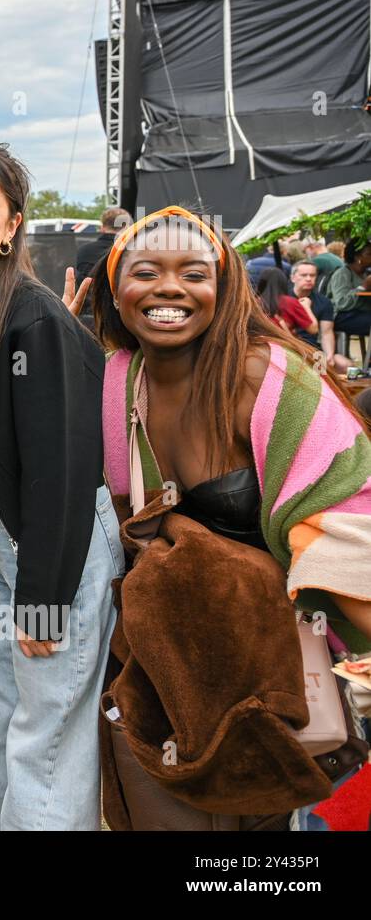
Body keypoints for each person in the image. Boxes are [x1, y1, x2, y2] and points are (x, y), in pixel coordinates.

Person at [88, 205, 371, 829]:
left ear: (224, 286)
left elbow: (347, 521)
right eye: (145, 271)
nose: (168, 288)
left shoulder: (271, 378)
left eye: (193, 272)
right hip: (163, 660)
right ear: (116, 287)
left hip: (272, 667)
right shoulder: (117, 380)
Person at [0, 144, 119, 830]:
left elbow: (61, 466)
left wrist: (44, 596)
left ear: (11, 227)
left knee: (48, 734)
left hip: (56, 548)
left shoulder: (35, 319)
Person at [291, 259, 350, 373]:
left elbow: (326, 332)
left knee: (345, 365)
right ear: (293, 278)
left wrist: (329, 355)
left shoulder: (324, 302)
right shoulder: (284, 298)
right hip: (290, 349)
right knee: (311, 368)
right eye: (304, 275)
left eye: (312, 275)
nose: (308, 279)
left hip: (314, 350)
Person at [327, 237, 371, 345]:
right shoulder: (342, 274)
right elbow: (341, 303)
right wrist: (363, 287)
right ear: (357, 257)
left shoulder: (365, 274)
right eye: (369, 254)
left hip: (361, 313)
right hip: (341, 316)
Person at [254, 266, 314, 336]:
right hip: (281, 344)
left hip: (256, 343)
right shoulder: (290, 302)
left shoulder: (252, 302)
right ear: (283, 282)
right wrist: (307, 307)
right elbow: (313, 329)